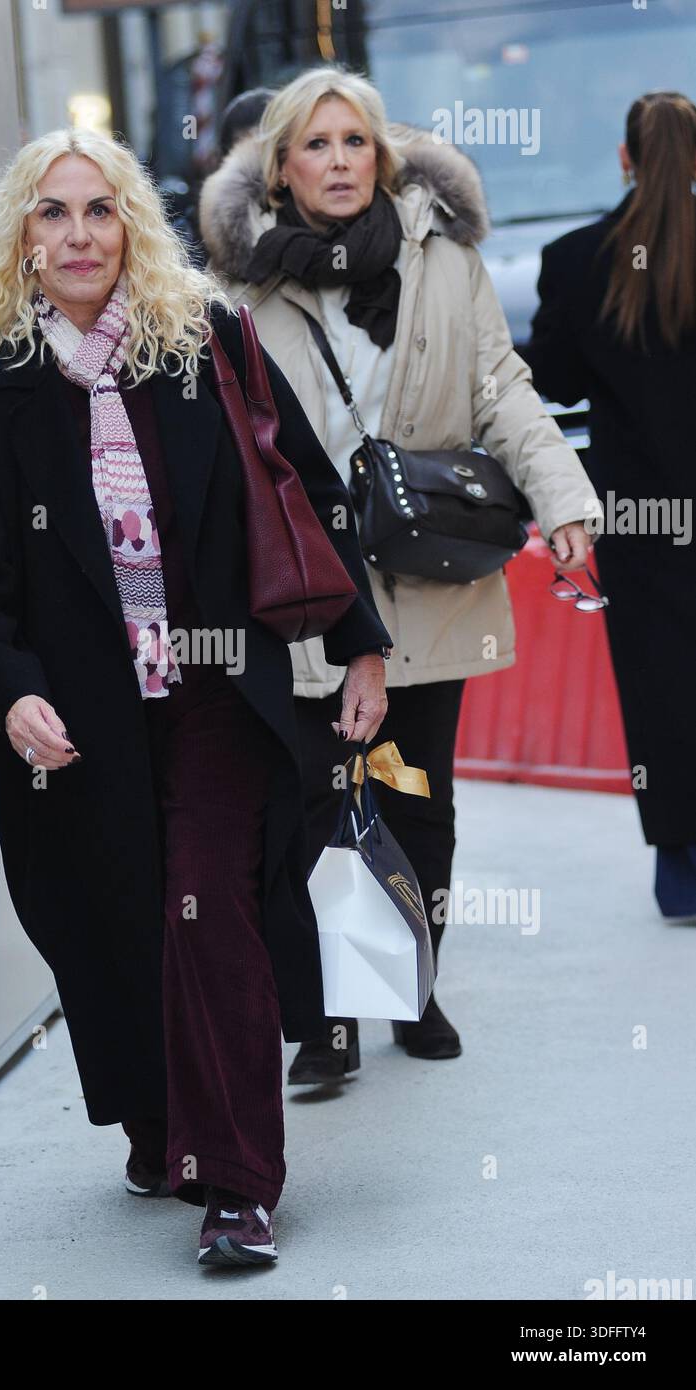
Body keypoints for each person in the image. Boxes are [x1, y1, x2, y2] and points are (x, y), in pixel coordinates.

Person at [0, 127, 391, 1266]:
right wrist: (12, 694)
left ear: (132, 223)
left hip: (214, 693)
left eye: (100, 209)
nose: (79, 234)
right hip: (83, 720)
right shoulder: (2, 401)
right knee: (120, 921)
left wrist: (361, 647)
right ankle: (161, 1125)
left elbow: (307, 493)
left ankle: (235, 1182)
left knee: (207, 906)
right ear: (23, 243)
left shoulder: (209, 347)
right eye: (53, 213)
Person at [199, 63, 600, 1078]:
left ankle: (412, 985)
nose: (338, 162)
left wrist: (561, 498)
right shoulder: (238, 294)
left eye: (355, 143)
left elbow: (501, 390)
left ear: (379, 159)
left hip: (423, 568)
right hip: (303, 583)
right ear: (280, 170)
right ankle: (331, 1014)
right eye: (315, 145)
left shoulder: (444, 262)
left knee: (417, 798)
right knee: (315, 803)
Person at [523, 91, 696, 921]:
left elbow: (553, 382)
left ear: (624, 159)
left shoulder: (575, 258)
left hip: (638, 514)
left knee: (657, 679)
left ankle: (679, 866)